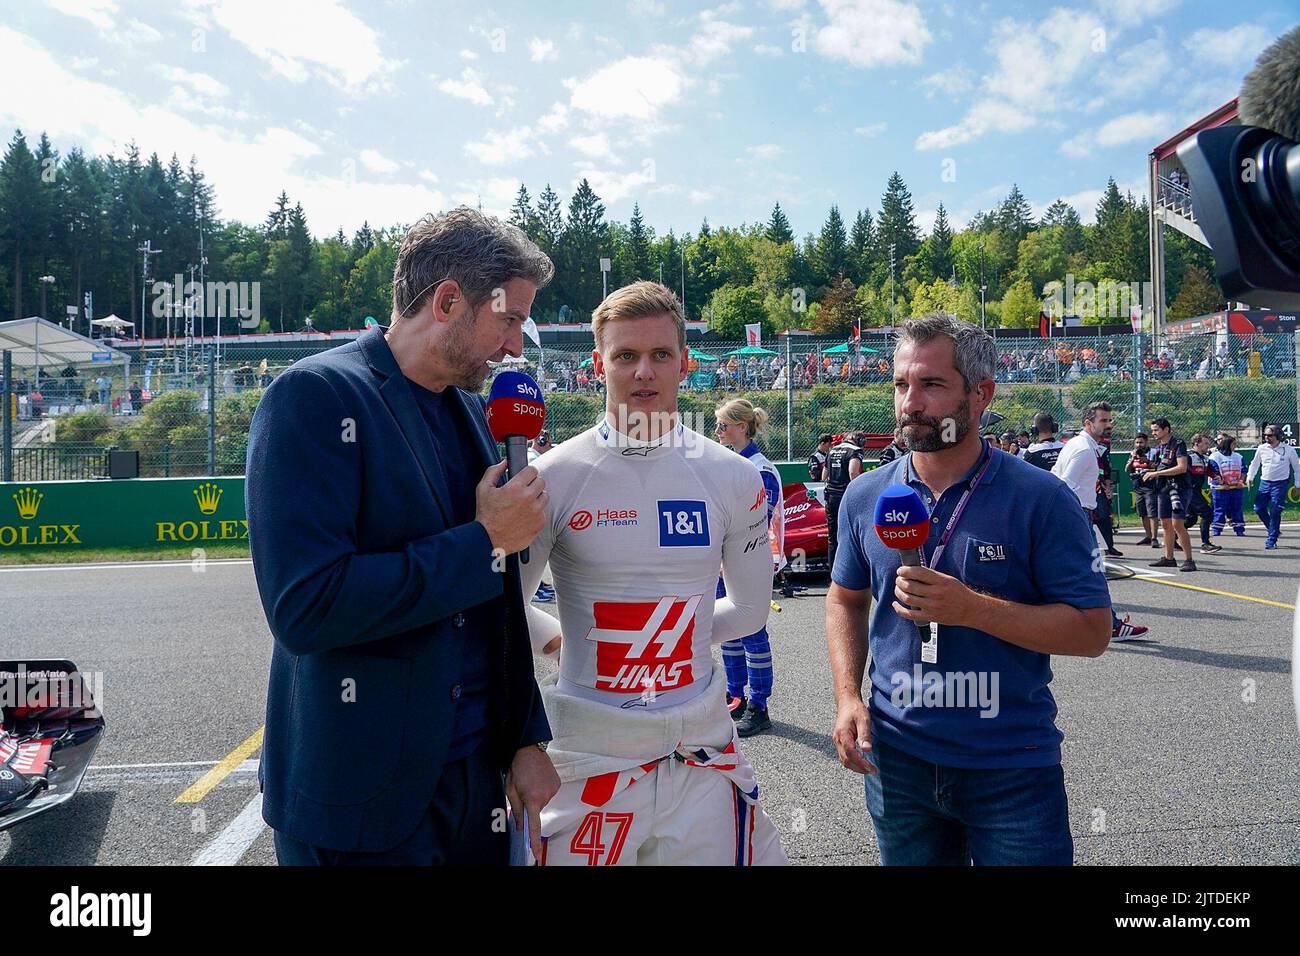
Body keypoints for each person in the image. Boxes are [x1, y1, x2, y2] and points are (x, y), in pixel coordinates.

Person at [245, 207, 559, 865]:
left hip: (475, 789)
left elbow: (498, 601)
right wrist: (483, 540)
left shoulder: (474, 410)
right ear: (447, 302)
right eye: (507, 320)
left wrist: (525, 737)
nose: (514, 347)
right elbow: (308, 608)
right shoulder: (317, 396)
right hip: (360, 804)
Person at [825, 313, 1112, 866]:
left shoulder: (1041, 499)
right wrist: (847, 697)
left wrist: (972, 609)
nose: (910, 403)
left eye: (931, 384)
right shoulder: (864, 496)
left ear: (980, 394)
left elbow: (1092, 631)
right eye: (901, 384)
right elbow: (845, 599)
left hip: (1010, 766)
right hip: (896, 763)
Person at [520, 281, 787, 866]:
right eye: (625, 356)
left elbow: (749, 610)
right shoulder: (552, 477)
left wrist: (671, 639)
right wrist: (560, 640)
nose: (644, 371)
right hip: (586, 752)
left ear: (685, 363)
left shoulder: (734, 478)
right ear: (598, 365)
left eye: (660, 354)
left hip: (700, 750)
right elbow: (504, 607)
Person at [714, 398, 785, 737]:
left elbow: (756, 521)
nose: (717, 431)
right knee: (727, 630)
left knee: (753, 634)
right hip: (725, 562)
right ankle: (736, 696)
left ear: (742, 427)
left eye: (723, 425)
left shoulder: (760, 469)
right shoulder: (730, 464)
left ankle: (760, 705)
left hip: (750, 561)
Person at [1051, 402, 1148, 641]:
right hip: (1078, 516)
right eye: (1103, 421)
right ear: (1088, 423)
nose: (1108, 425)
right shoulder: (1084, 450)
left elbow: (1054, 476)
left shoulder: (1079, 445)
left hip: (1078, 515)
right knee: (1095, 571)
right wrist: (1074, 518)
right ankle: (1110, 626)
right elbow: (1064, 486)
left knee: (1080, 572)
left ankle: (1087, 622)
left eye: (1109, 420)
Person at [1142, 418, 1196, 571]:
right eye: (1152, 430)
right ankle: (1169, 558)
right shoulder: (1160, 447)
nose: (1153, 433)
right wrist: (1149, 470)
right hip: (1163, 488)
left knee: (1177, 524)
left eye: (1156, 430)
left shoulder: (1178, 444)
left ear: (1166, 429)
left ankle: (1189, 560)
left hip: (1180, 488)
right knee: (1165, 524)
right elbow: (1160, 466)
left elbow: (1182, 467)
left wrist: (1156, 473)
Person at [1246, 425, 1300, 549]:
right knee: (1258, 508)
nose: (1266, 437)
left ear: (1278, 436)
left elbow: (1297, 469)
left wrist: (1298, 485)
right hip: (1264, 483)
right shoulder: (1261, 448)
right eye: (1265, 435)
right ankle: (1273, 529)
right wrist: (1250, 477)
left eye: (1270, 435)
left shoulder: (1288, 450)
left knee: (1275, 510)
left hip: (1280, 484)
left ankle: (1271, 539)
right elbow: (1254, 464)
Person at [824, 431, 866, 569]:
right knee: (850, 534)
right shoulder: (855, 451)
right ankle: (849, 570)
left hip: (830, 496)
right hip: (845, 496)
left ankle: (832, 572)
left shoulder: (832, 450)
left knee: (832, 537)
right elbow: (853, 472)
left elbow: (824, 475)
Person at [529, 430, 557, 604]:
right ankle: (534, 588)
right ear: (541, 441)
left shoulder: (533, 457)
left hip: (533, 509)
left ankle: (538, 584)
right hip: (528, 512)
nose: (550, 448)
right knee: (534, 550)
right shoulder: (534, 459)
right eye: (549, 444)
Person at [1184, 434, 1222, 554]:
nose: (1208, 446)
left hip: (1196, 491)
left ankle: (1171, 537)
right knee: (1207, 513)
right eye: (1205, 443)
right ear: (1197, 443)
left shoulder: (1205, 458)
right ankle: (1205, 544)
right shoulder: (1188, 456)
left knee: (1191, 519)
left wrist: (1216, 476)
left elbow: (1209, 470)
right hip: (1188, 491)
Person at [1126, 433, 1160, 548]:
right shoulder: (1132, 453)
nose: (1139, 445)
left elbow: (1159, 467)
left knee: (1152, 513)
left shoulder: (1155, 452)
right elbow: (1127, 469)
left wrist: (1147, 461)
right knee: (1143, 513)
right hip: (1137, 486)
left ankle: (1154, 538)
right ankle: (1148, 536)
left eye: (1141, 442)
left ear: (1146, 442)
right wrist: (1133, 459)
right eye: (1137, 442)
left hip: (1150, 486)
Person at [1209, 433, 1246, 537]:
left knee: (1237, 508)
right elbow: (1214, 472)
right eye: (1233, 444)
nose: (1235, 446)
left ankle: (1239, 529)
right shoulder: (1215, 456)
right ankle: (1217, 529)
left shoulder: (1238, 457)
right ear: (1227, 444)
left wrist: (1240, 481)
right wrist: (1223, 483)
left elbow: (1243, 470)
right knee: (1220, 508)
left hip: (1236, 487)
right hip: (1220, 488)